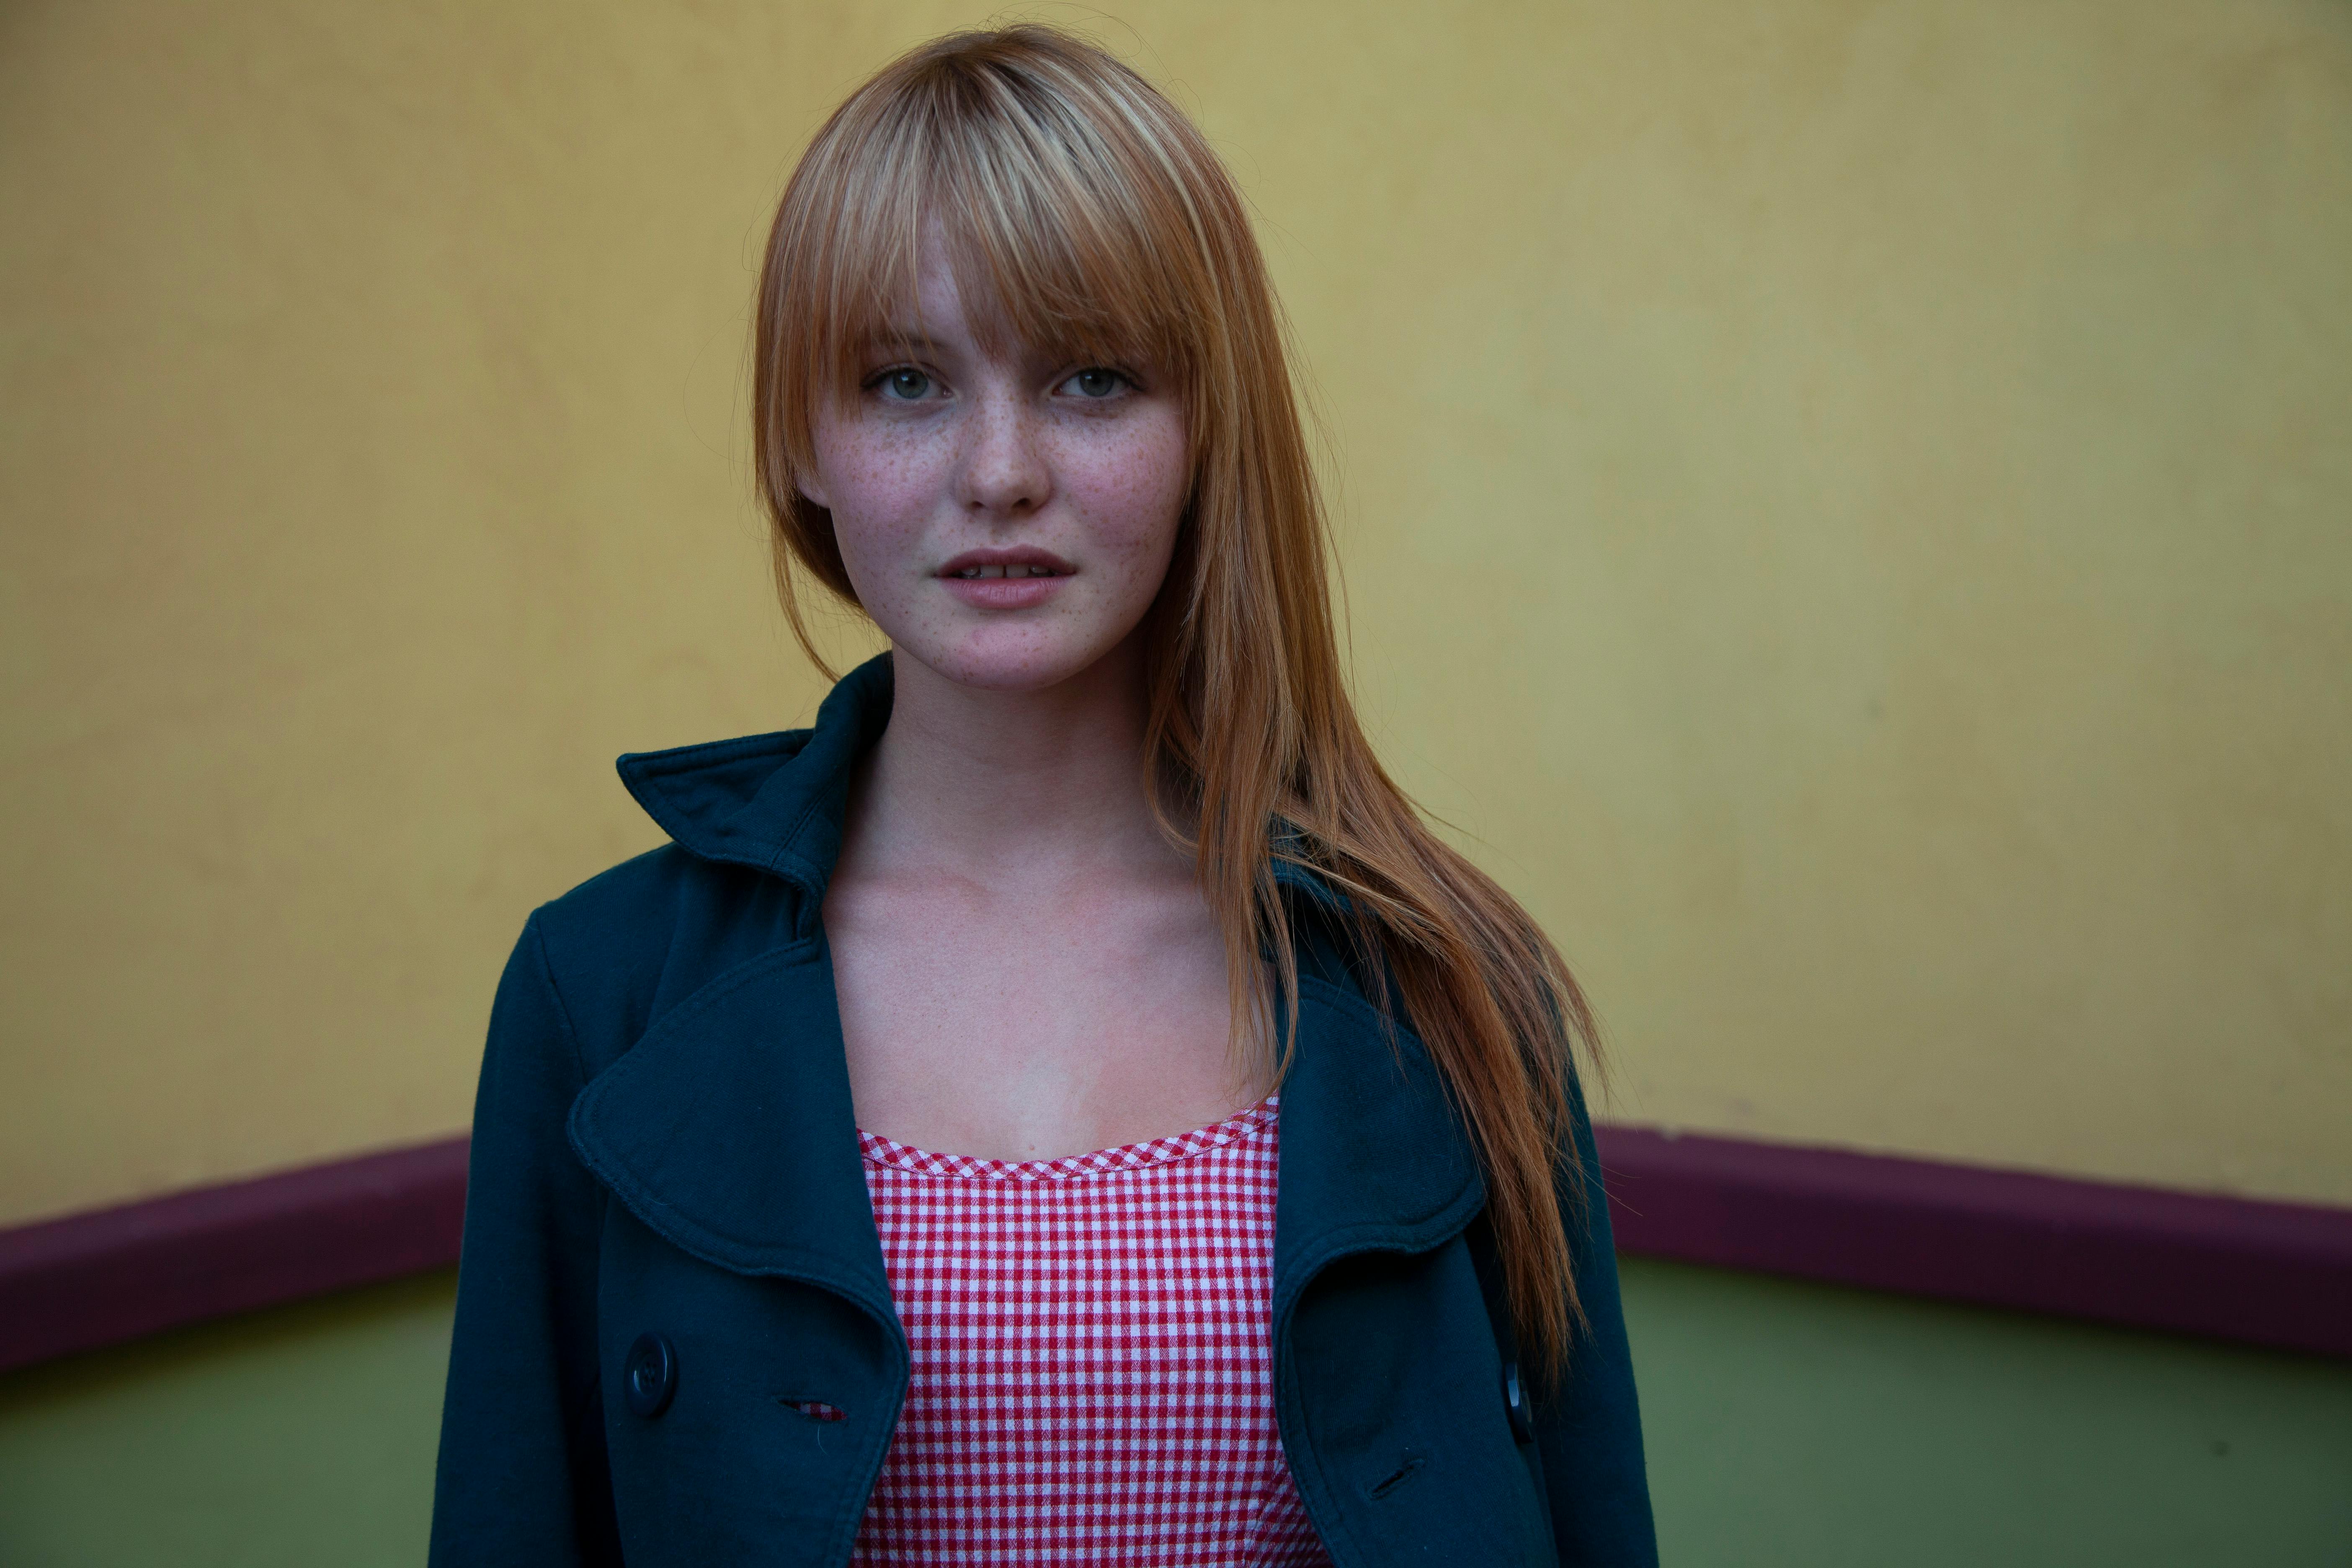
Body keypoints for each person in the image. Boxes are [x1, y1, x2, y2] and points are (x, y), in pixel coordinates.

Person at [429, 25, 1655, 1568]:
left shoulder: (1448, 986)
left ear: (1207, 428)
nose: (999, 472)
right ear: (802, 438)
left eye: (1091, 378)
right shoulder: (598, 996)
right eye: (904, 380)